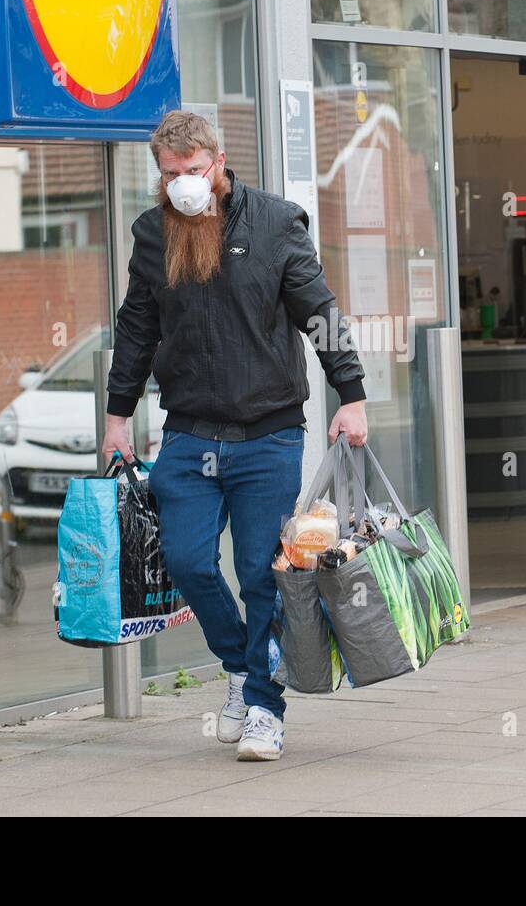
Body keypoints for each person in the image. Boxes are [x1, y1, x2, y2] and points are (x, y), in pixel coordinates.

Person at [103, 110, 367, 761]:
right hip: (191, 432)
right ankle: (241, 666)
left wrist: (352, 393)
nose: (182, 184)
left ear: (218, 163)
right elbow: (137, 329)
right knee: (189, 560)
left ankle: (264, 710)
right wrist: (116, 415)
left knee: (258, 571)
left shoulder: (276, 223)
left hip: (267, 431)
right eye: (169, 175)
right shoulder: (151, 234)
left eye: (192, 172)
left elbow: (320, 312)